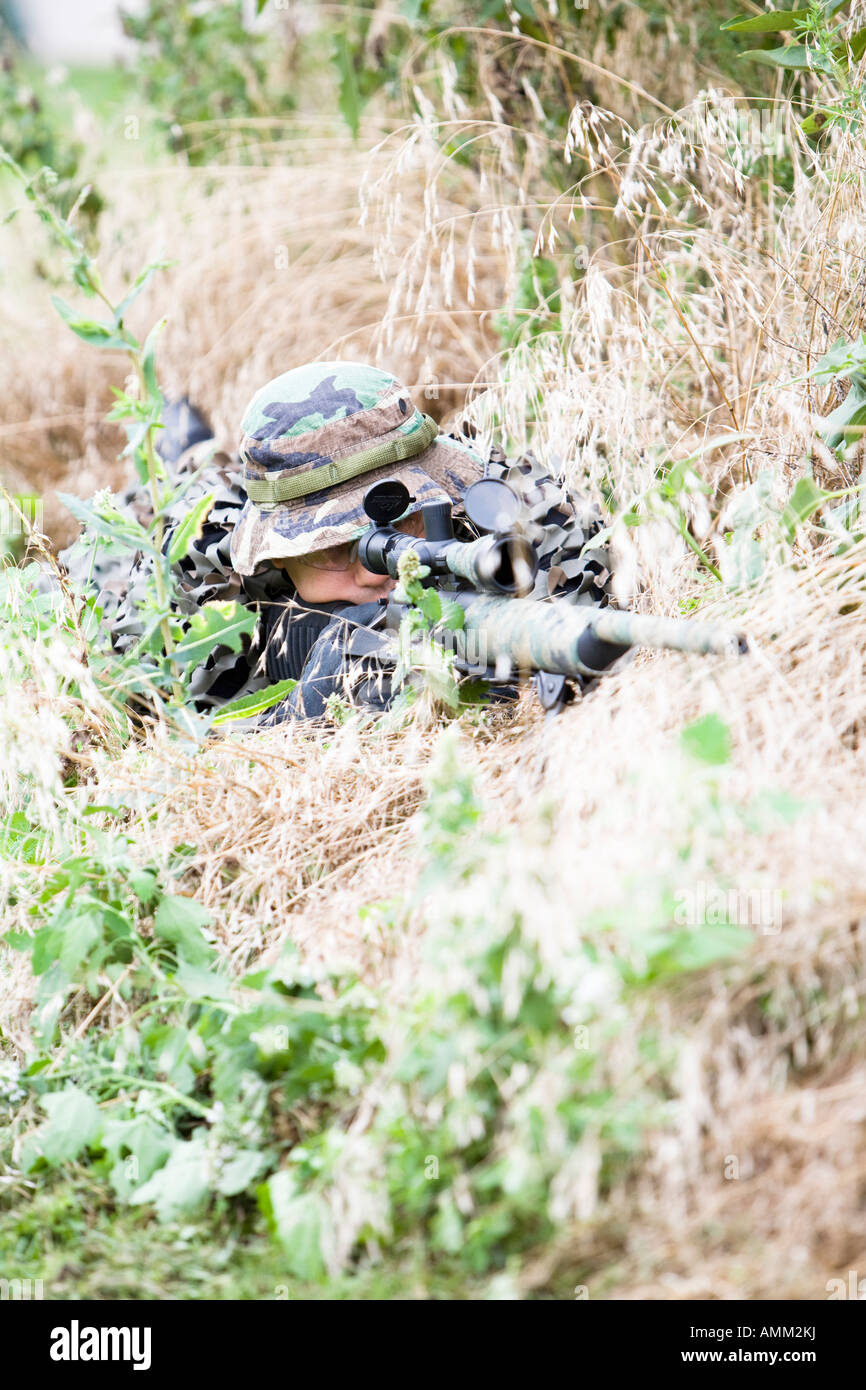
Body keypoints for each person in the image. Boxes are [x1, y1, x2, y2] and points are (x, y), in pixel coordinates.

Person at [64, 361, 611, 721]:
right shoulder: (191, 578)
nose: (377, 571)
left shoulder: (499, 490)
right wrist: (306, 710)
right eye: (331, 550)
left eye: (407, 525)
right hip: (189, 507)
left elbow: (586, 585)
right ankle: (180, 434)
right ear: (278, 555)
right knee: (182, 469)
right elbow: (164, 736)